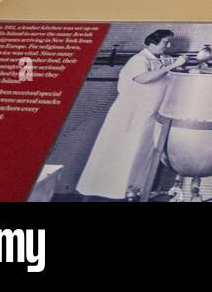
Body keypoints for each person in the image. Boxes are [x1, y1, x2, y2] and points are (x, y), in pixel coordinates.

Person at [76, 30, 184, 201]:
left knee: (139, 154)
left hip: (149, 115)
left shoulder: (161, 59)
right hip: (129, 116)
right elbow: (143, 79)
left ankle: (134, 190)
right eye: (166, 42)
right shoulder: (138, 60)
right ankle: (103, 191)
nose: (169, 46)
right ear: (152, 42)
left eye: (170, 42)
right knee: (119, 152)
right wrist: (172, 66)